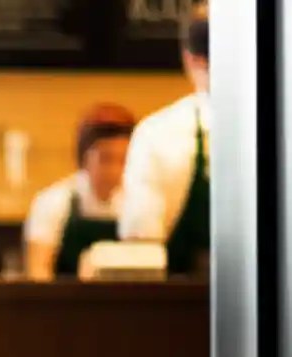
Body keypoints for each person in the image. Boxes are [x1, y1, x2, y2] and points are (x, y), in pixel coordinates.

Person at [118, 1, 210, 276]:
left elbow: (140, 246)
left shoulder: (160, 134)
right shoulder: (290, 126)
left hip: (188, 299)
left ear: (190, 58)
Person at [24, 104, 136, 280]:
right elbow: (38, 271)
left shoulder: (137, 201)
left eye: (123, 160)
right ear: (83, 157)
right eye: (105, 159)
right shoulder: (52, 202)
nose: (115, 170)